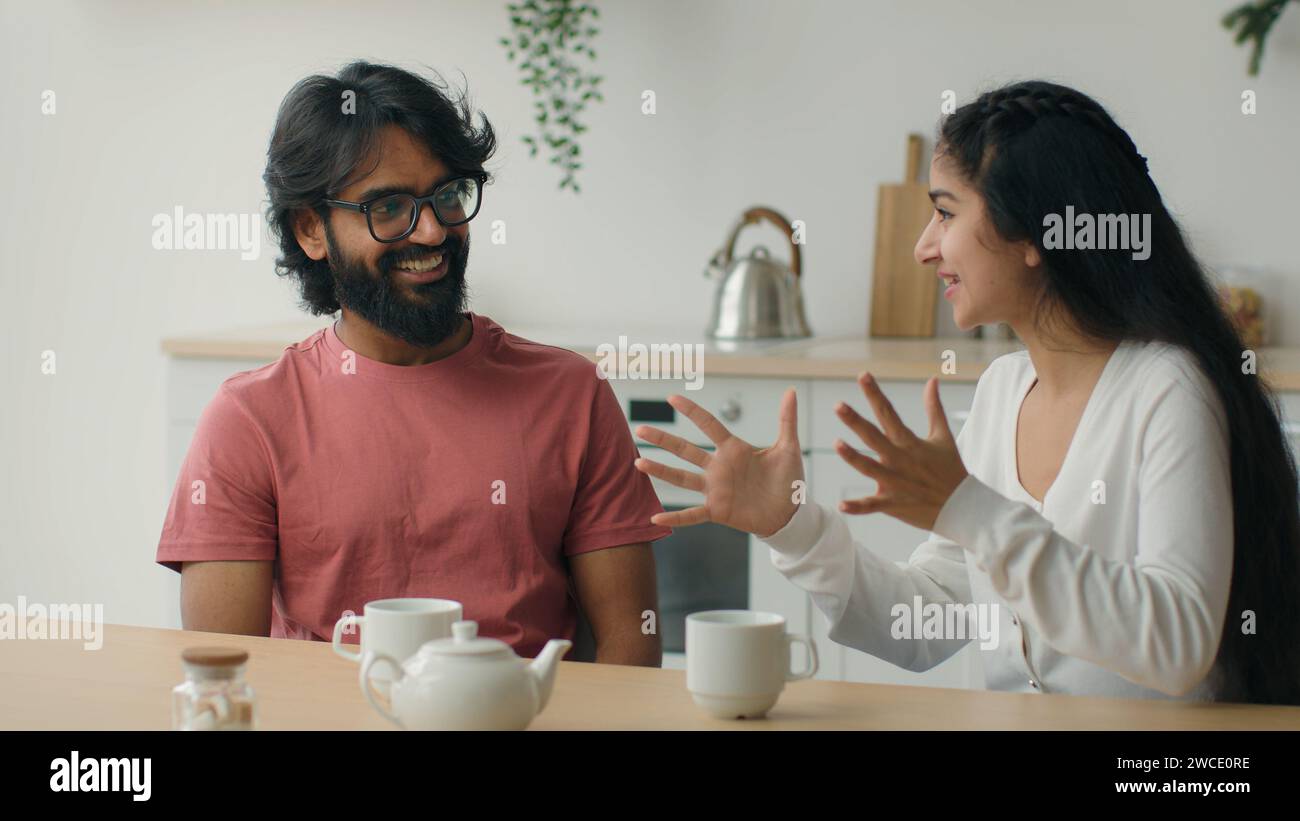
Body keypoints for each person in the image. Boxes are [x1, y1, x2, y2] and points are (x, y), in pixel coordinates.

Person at [634, 80, 1300, 703]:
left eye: (945, 213)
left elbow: (1178, 641)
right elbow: (920, 625)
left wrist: (971, 509)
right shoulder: (1003, 390)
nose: (924, 247)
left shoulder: (1167, 390)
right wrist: (794, 527)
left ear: (1036, 233)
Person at [156, 61, 670, 664]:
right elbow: (223, 677)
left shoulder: (572, 394)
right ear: (310, 230)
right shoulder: (249, 420)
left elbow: (629, 647)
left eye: (447, 195)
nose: (430, 231)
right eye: (389, 207)